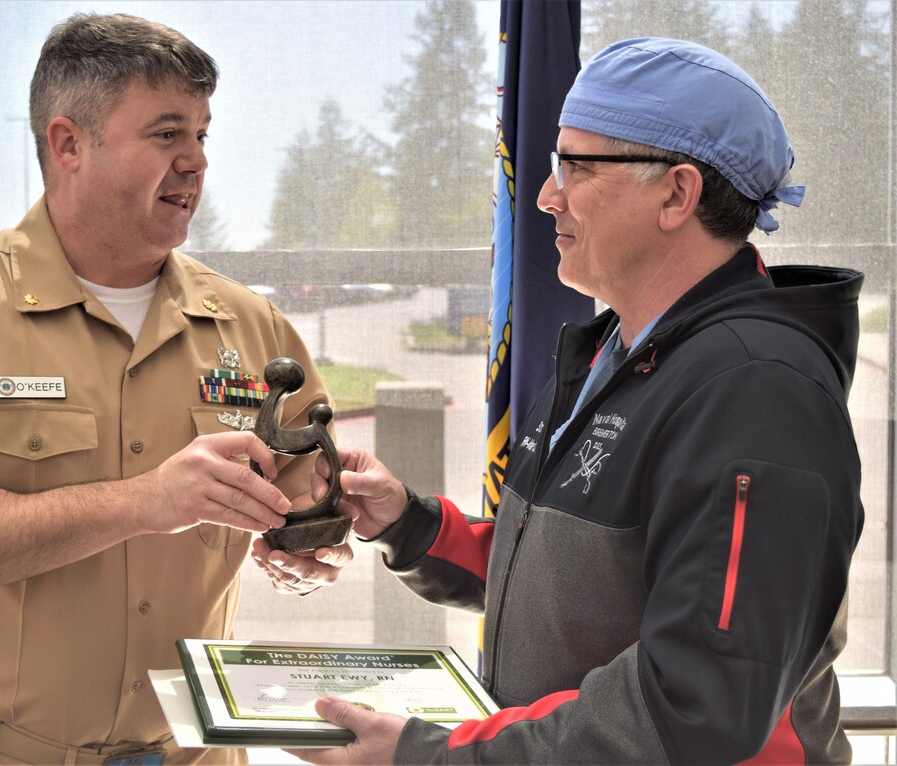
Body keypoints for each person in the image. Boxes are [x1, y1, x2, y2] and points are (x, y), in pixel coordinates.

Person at [285, 37, 864, 764]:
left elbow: (698, 706)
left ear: (677, 194)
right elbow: (567, 582)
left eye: (576, 167)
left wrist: (435, 755)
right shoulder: (616, 353)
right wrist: (408, 522)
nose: (544, 195)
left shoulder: (757, 390)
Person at [0, 13, 348, 765]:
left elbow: (306, 506)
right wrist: (145, 501)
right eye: (166, 134)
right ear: (68, 144)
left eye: (202, 134)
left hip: (194, 753)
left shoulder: (251, 325)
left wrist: (310, 547)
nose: (196, 161)